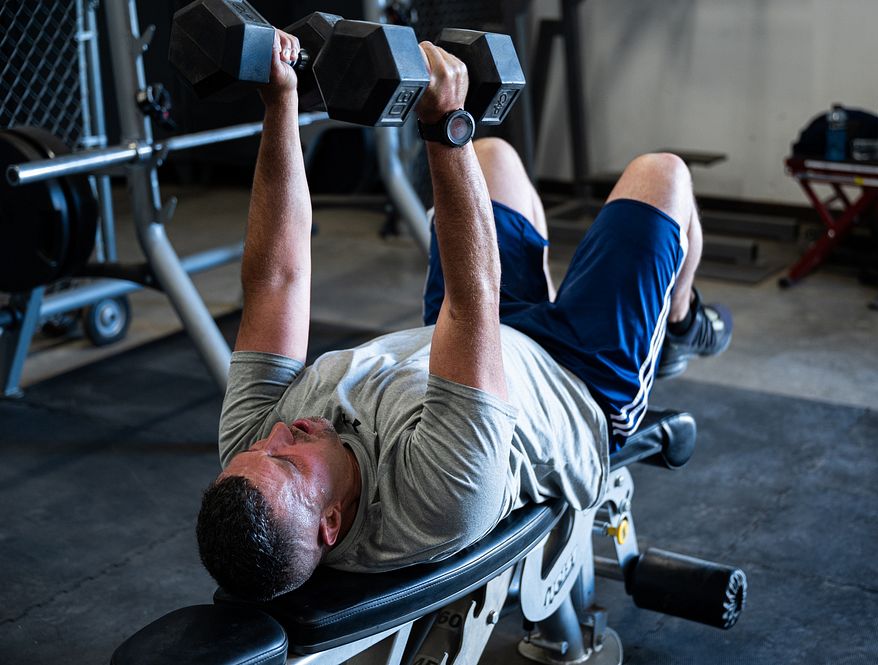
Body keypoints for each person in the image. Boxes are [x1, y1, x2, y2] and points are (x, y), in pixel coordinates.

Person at [196, 30, 732, 602]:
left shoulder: (249, 461)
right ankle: (677, 324)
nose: (281, 433)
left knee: (491, 156)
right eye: (291, 462)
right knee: (664, 174)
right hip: (578, 379)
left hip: (460, 342)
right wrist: (444, 121)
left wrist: (282, 102)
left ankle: (561, 290)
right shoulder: (436, 500)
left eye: (260, 450)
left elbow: (276, 278)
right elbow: (474, 291)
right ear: (331, 524)